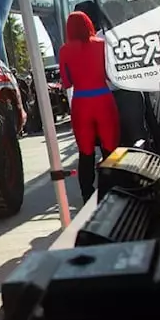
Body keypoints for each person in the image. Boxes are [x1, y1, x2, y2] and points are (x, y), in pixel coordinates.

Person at [59, 11, 120, 203]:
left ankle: (87, 193)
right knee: (110, 148)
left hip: (81, 102)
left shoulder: (64, 50)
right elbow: (112, 75)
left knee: (86, 151)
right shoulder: (102, 45)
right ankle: (111, 189)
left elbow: (67, 82)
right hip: (103, 99)